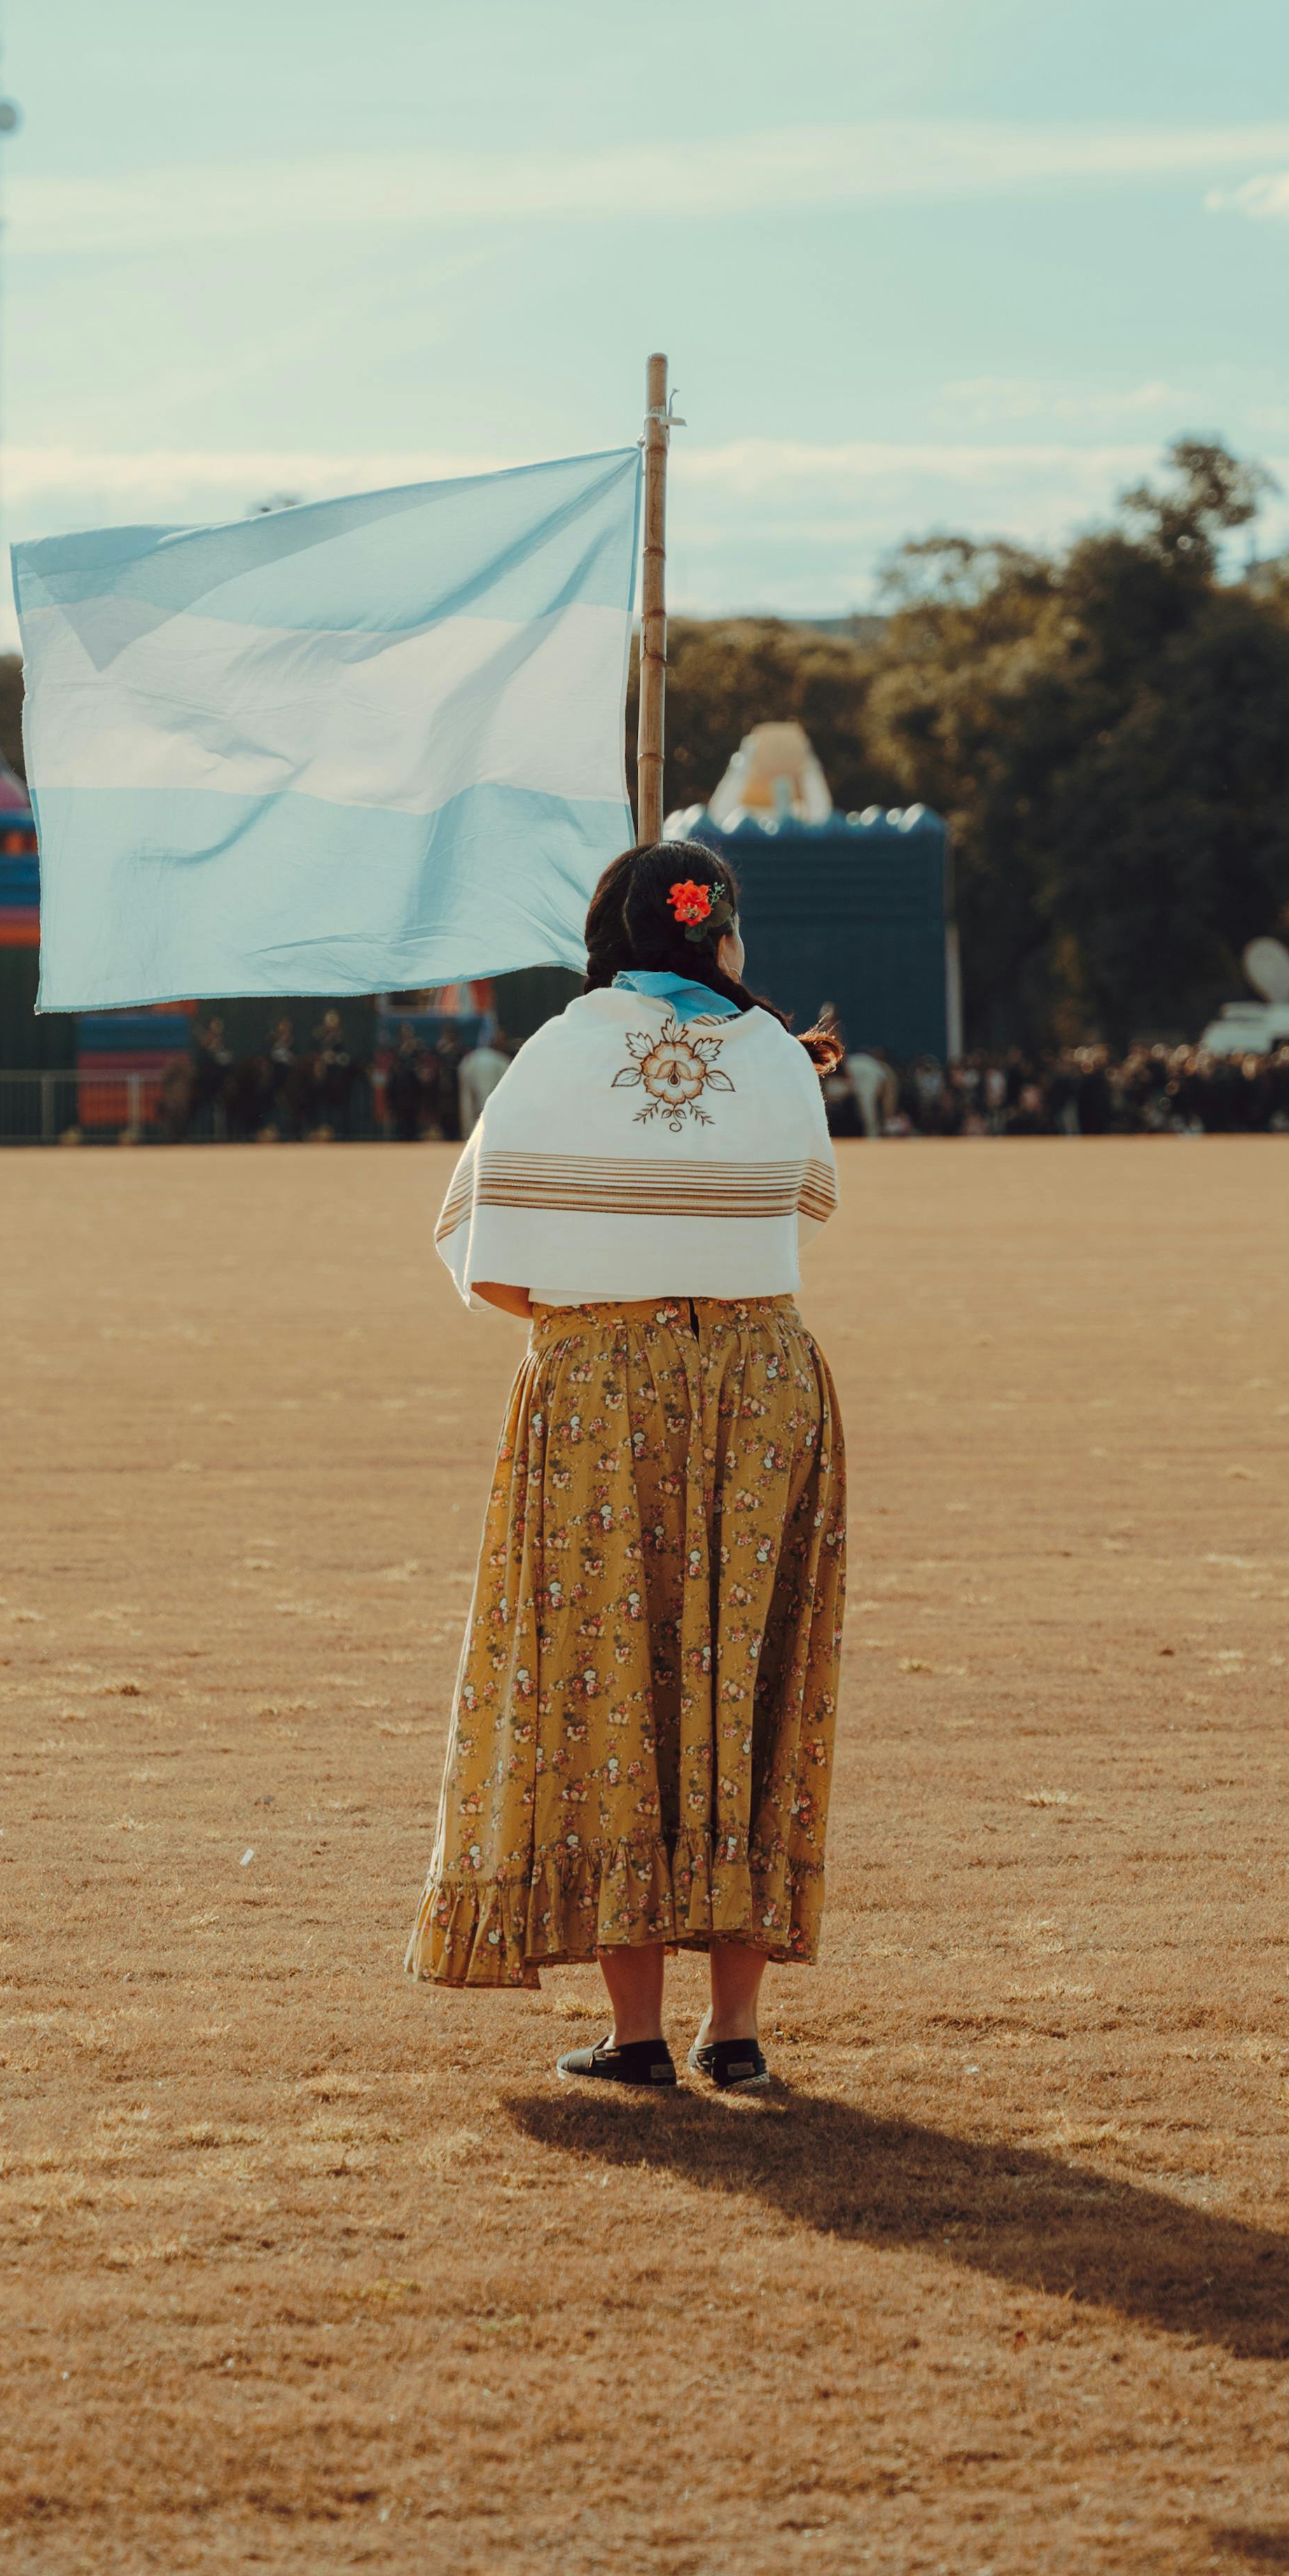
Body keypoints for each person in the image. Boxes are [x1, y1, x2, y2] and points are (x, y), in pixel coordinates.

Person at [407, 840, 848, 2103]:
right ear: (718, 934)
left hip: (603, 1378)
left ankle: (637, 2031)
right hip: (764, 1378)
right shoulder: (777, 1055)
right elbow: (801, 1208)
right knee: (746, 1674)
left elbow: (485, 1259)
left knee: (607, 1682)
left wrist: (596, 1316)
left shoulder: (558, 1050)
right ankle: (737, 2027)